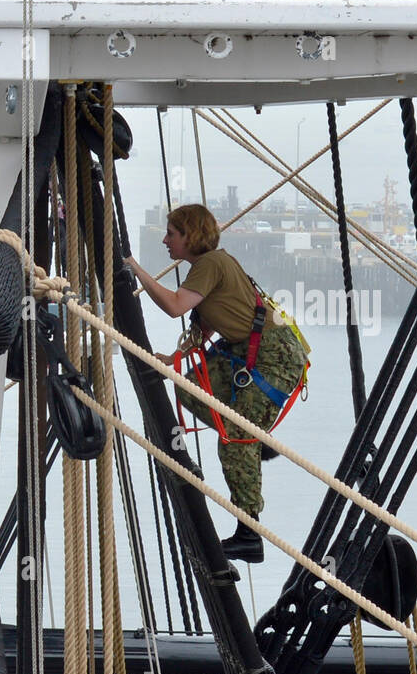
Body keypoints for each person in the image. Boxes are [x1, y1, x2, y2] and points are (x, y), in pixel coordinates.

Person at [125, 204, 308, 563]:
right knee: (189, 388)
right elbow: (203, 324)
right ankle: (256, 441)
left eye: (172, 234)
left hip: (274, 358)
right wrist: (171, 361)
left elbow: (176, 307)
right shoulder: (211, 266)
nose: (165, 240)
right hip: (253, 350)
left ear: (190, 236)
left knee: (234, 442)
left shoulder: (210, 264)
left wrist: (135, 269)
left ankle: (249, 534)